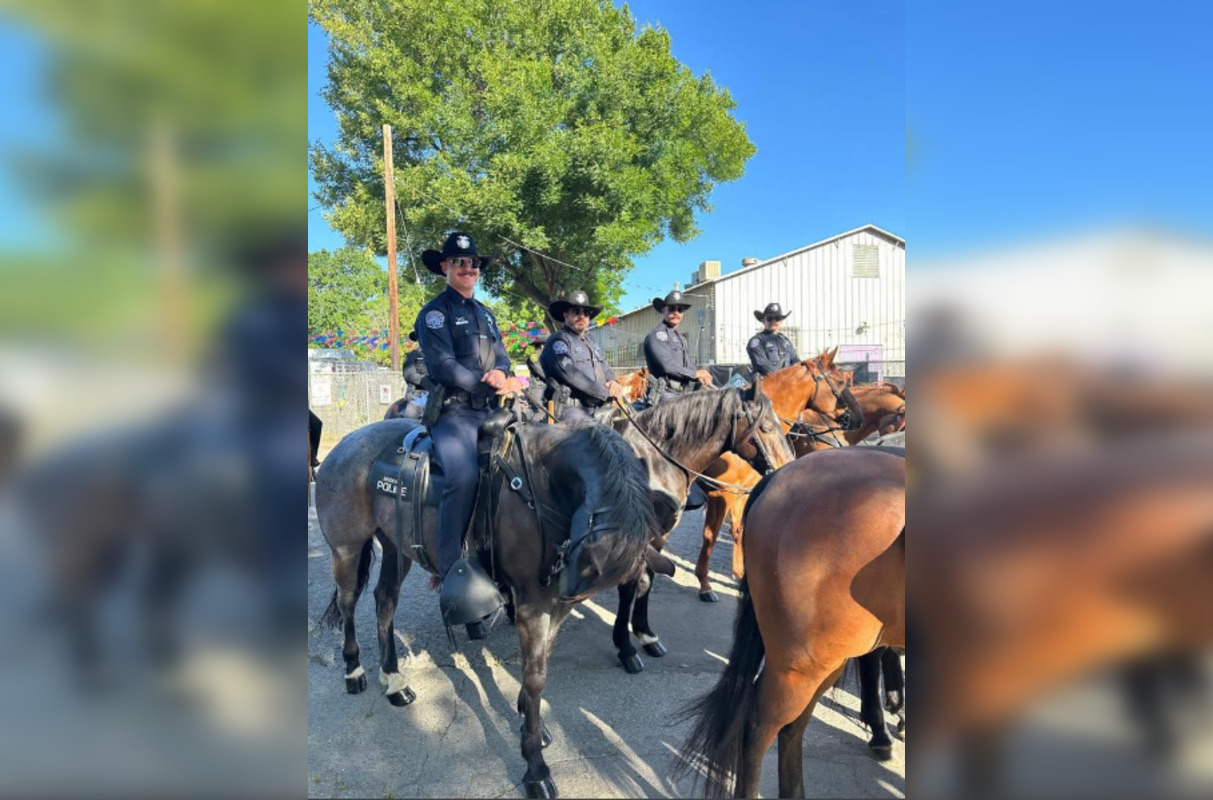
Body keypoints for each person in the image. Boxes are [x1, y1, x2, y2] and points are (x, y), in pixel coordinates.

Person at [415, 231, 522, 627]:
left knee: (528, 467)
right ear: (445, 267)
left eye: (474, 263)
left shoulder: (486, 313)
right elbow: (442, 366)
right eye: (460, 262)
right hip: (456, 414)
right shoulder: (434, 314)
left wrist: (502, 372)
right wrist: (485, 382)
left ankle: (511, 558)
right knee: (462, 476)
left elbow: (503, 355)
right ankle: (449, 573)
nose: (469, 268)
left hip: (493, 409)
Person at [539, 290, 627, 423]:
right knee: (592, 436)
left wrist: (613, 382)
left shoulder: (591, 342)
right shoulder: (558, 341)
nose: (582, 316)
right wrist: (605, 393)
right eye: (576, 311)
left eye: (586, 313)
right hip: (571, 409)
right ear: (565, 315)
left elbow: (604, 365)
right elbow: (571, 374)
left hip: (599, 404)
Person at [643, 290, 714, 401]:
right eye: (671, 308)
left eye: (680, 309)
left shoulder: (679, 337)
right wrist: (695, 374)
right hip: (665, 393)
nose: (676, 312)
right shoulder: (657, 335)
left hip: (682, 392)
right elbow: (667, 366)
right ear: (663, 310)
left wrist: (702, 376)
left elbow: (688, 365)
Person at [746, 302, 800, 375]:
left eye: (777, 318)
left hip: (787, 383)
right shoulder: (756, 342)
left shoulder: (786, 341)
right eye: (770, 318)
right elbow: (763, 365)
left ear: (781, 321)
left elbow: (796, 362)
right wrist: (785, 378)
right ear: (763, 320)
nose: (773, 321)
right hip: (766, 383)